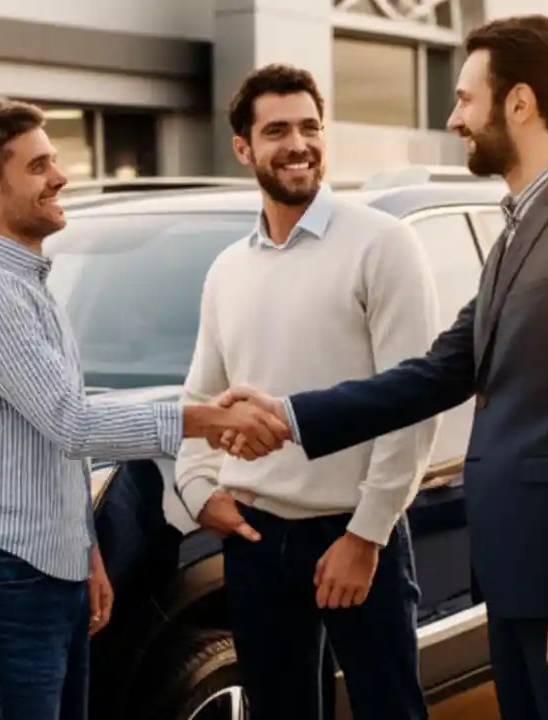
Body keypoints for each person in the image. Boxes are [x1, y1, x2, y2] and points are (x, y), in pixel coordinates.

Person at [219, 15, 548, 720]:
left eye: (467, 98)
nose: (455, 117)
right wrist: (286, 415)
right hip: (523, 581)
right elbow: (435, 374)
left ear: (519, 103)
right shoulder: (523, 225)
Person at [0, 99, 292, 720]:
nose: (59, 177)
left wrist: (83, 552)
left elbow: (51, 443)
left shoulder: (27, 287)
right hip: (4, 583)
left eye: (54, 161)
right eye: (38, 166)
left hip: (39, 573)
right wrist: (203, 418)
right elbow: (73, 423)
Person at [175, 64, 441, 720]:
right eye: (277, 131)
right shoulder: (227, 269)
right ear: (244, 148)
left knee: (389, 709)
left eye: (310, 127)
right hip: (255, 539)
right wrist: (198, 488)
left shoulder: (382, 244)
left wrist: (366, 535)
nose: (298, 143)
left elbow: (412, 403)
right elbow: (200, 397)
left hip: (352, 533)